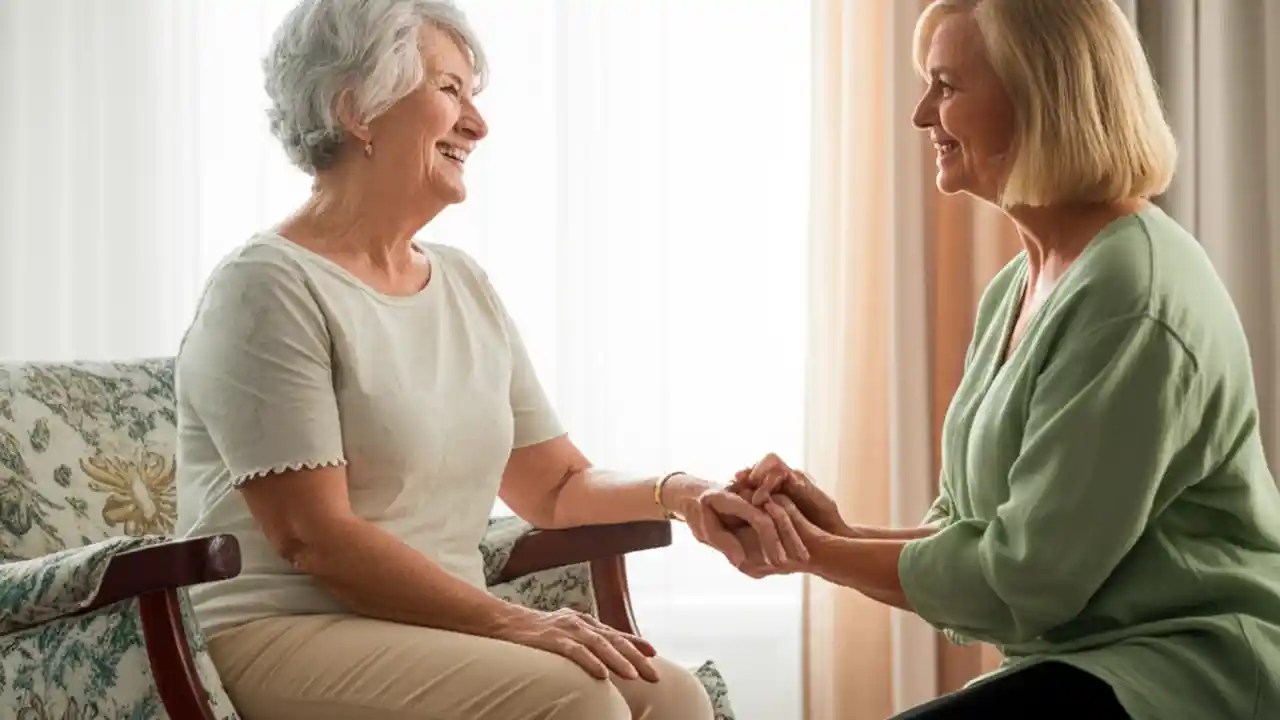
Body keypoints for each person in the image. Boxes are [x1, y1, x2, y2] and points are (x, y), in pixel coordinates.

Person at [173, 2, 792, 718]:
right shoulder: (266, 286)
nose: (478, 124)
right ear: (357, 109)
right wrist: (516, 622)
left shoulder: (463, 284)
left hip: (425, 632)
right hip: (280, 631)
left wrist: (683, 493)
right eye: (450, 90)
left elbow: (556, 486)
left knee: (673, 696)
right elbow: (315, 539)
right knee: (579, 702)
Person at [725, 1, 1280, 718]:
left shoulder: (1129, 292)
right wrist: (835, 533)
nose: (922, 115)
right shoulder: (1021, 285)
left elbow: (1024, 581)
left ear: (1040, 97)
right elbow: (974, 533)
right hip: (1087, 665)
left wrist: (811, 552)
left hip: (1188, 671)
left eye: (946, 86)